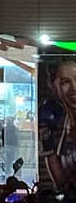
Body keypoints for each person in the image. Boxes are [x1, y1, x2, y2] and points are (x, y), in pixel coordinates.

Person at [41, 58, 76, 194]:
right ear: (55, 87)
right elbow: (60, 183)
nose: (74, 88)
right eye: (65, 82)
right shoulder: (56, 122)